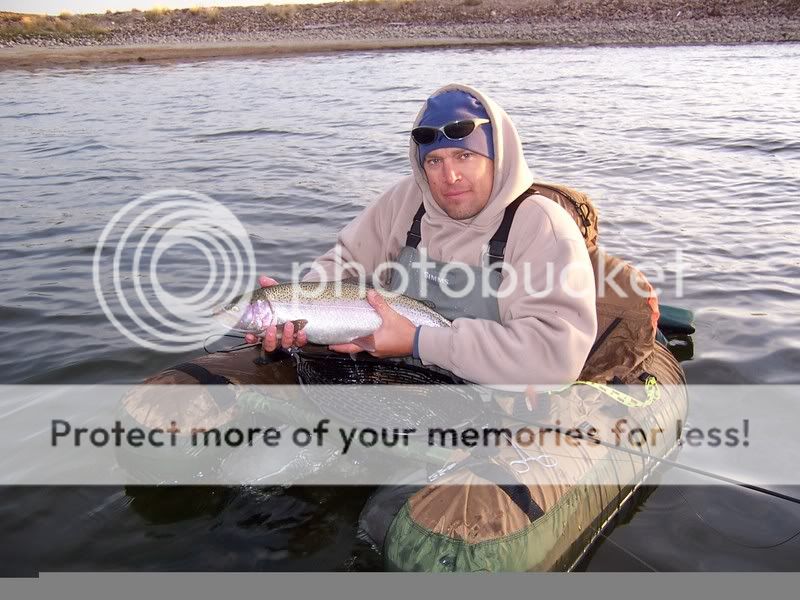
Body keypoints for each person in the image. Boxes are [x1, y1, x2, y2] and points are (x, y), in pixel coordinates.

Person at [252, 84, 597, 386]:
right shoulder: (406, 201)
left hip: (496, 401)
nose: (450, 177)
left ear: (498, 157)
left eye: (465, 156)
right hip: (394, 381)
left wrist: (419, 341)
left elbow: (556, 357)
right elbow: (345, 262)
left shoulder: (540, 226)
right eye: (434, 161)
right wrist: (298, 308)